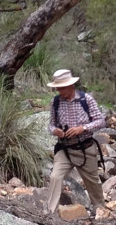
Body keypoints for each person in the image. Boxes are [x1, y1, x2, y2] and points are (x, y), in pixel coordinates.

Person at [44, 69, 107, 217]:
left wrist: (83, 128)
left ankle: (100, 211)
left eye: (62, 87)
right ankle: (49, 213)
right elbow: (51, 125)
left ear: (71, 85)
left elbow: (101, 121)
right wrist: (56, 131)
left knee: (93, 182)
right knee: (55, 176)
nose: (59, 90)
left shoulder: (87, 100)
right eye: (57, 88)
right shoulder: (55, 102)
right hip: (64, 149)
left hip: (85, 147)